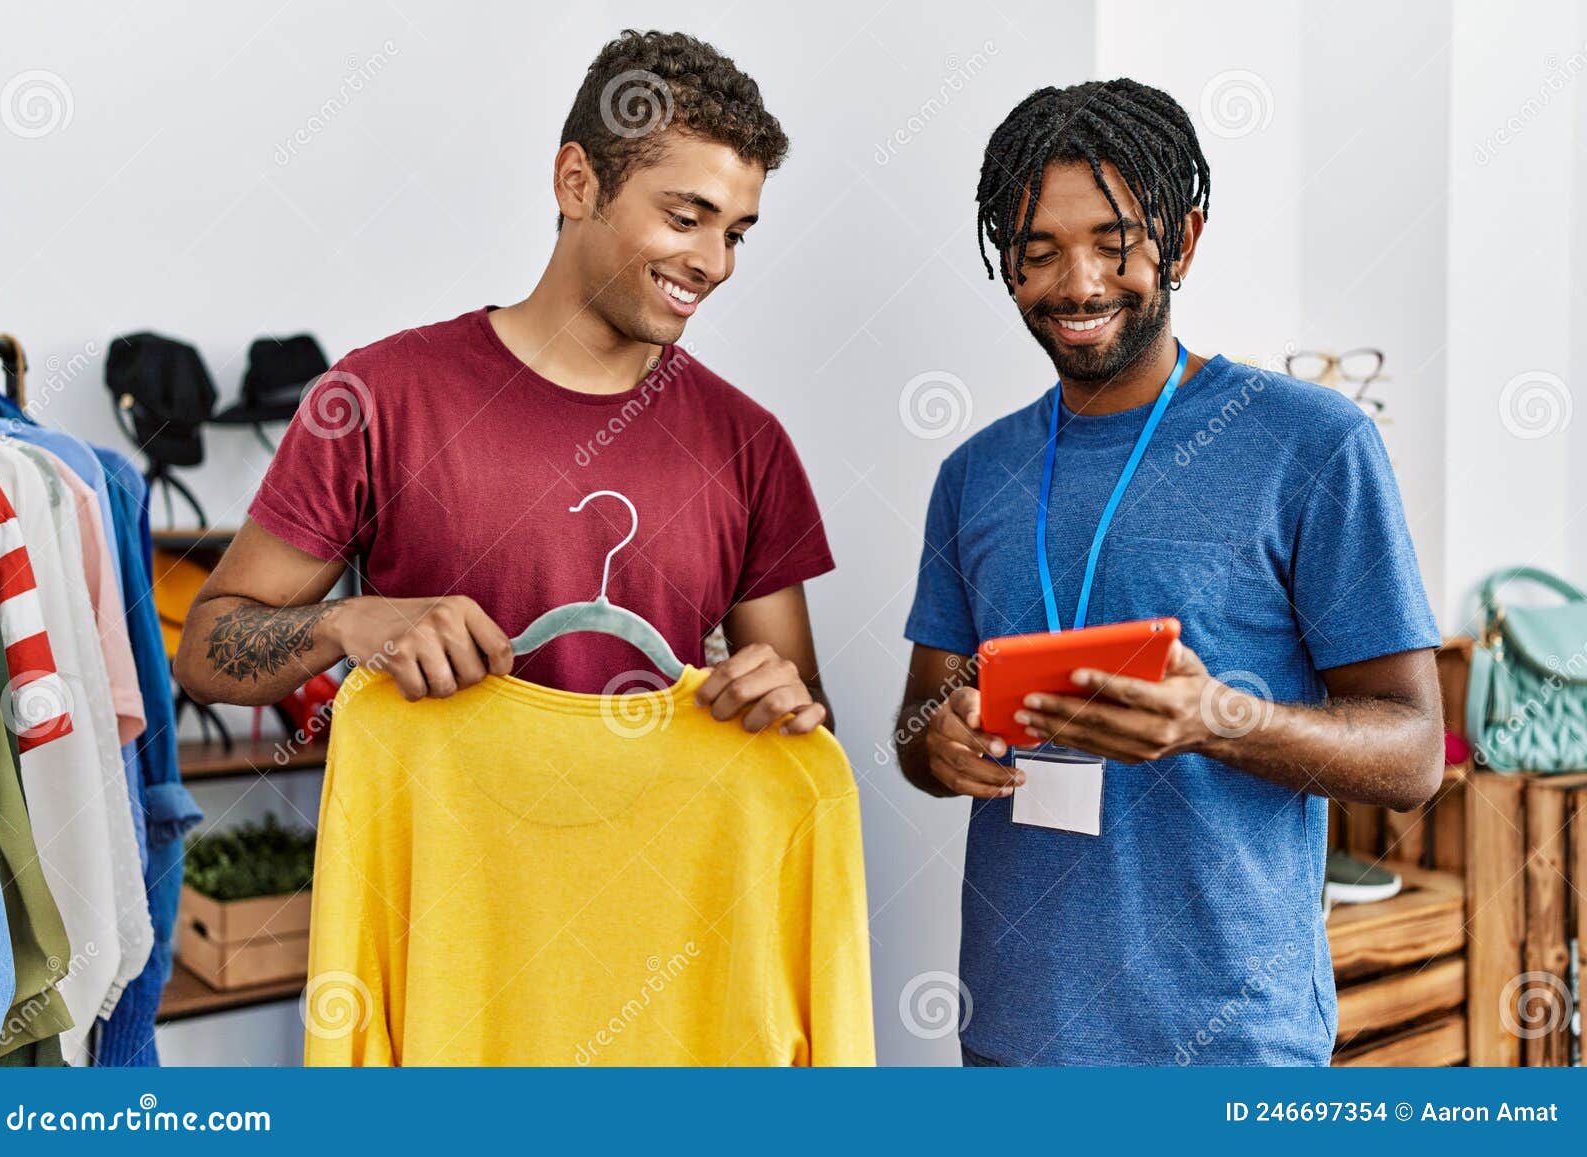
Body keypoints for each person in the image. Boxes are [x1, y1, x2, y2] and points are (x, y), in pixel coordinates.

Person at [894, 78, 1443, 1066]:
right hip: (1017, 1041)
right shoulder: (973, 475)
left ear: (1180, 241)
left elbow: (1410, 753)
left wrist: (1215, 718)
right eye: (1037, 252)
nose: (1079, 283)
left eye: (1114, 242)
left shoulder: (1311, 444)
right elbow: (914, 722)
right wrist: (937, 742)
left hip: (1236, 1048)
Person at [176, 30, 834, 736]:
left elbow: (805, 731)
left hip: (663, 847)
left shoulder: (748, 445)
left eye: (735, 234)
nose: (714, 263)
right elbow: (205, 653)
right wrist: (349, 621)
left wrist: (780, 704)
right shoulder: (381, 397)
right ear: (577, 183)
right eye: (685, 219)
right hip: (433, 848)